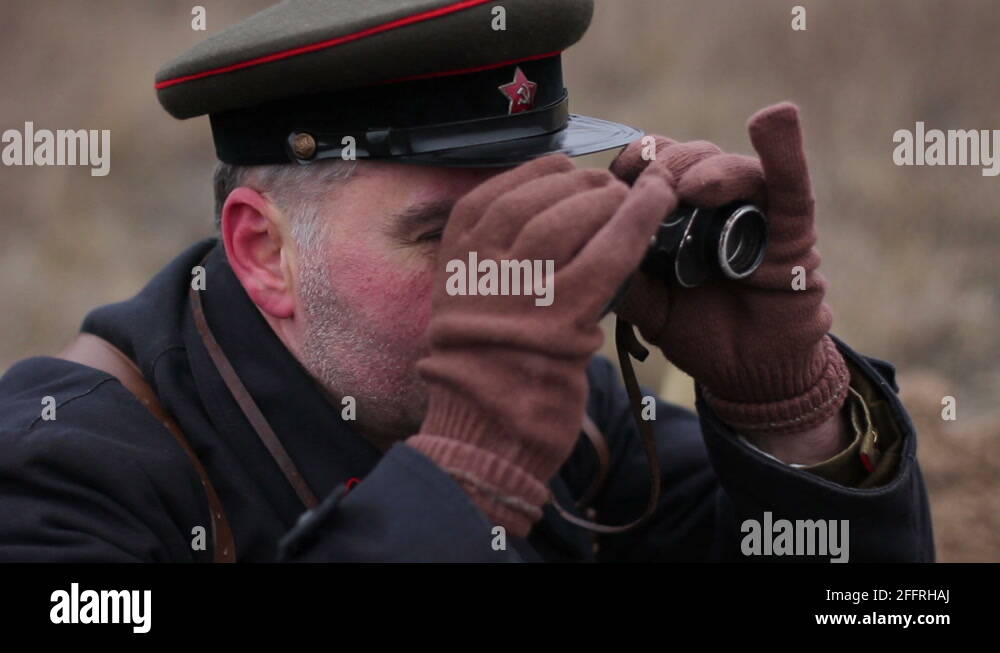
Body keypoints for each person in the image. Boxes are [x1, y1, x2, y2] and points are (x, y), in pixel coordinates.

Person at [0, 0, 933, 562]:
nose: (516, 281)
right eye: (446, 233)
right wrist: (468, 475)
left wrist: (791, 413)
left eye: (525, 213)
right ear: (261, 251)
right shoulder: (64, 474)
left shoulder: (579, 426)